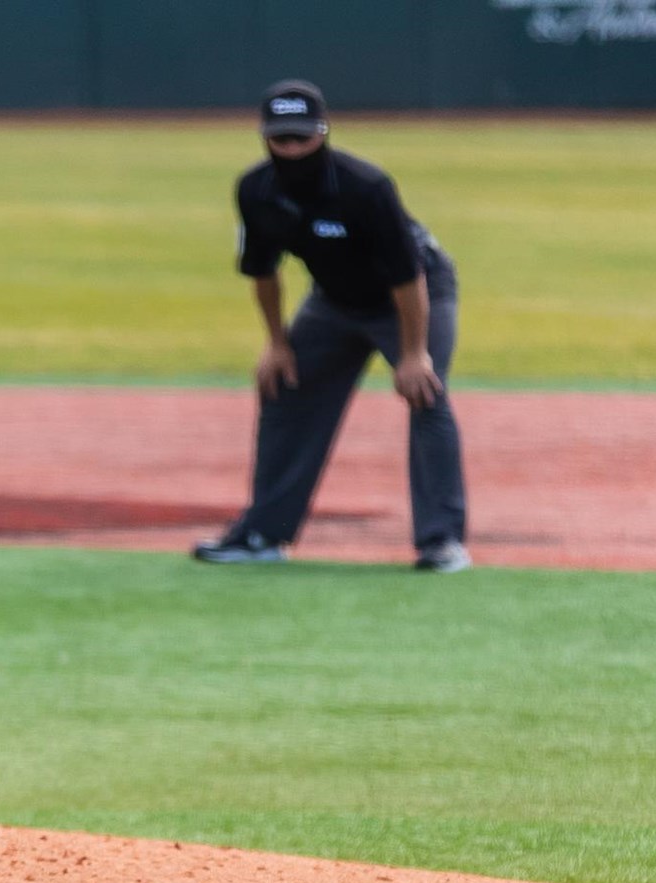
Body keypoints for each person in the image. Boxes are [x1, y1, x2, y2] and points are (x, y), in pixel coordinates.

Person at [193, 79, 469, 572]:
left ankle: (441, 540)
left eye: (302, 138)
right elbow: (263, 273)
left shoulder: (365, 187)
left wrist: (412, 354)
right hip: (334, 302)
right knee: (283, 385)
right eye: (281, 139)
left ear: (323, 132)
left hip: (412, 294)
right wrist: (277, 343)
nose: (292, 149)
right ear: (264, 136)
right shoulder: (256, 190)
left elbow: (407, 277)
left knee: (425, 393)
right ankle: (263, 534)